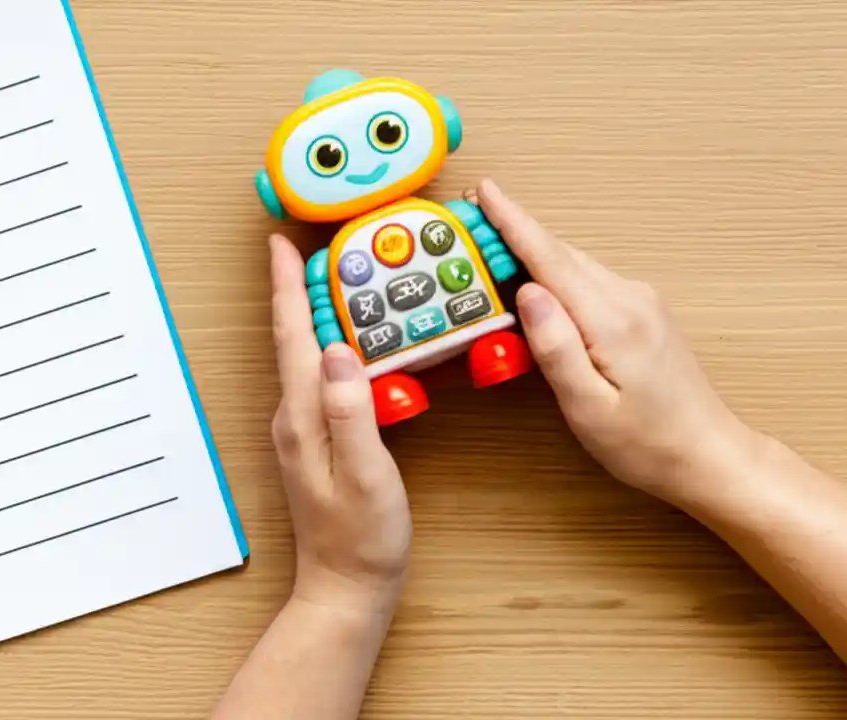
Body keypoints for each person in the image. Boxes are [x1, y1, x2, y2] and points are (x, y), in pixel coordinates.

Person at [211, 179, 847, 719]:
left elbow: (480, 254)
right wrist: (718, 454)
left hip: (482, 326)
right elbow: (328, 302)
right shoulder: (345, 259)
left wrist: (340, 590)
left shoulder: (435, 229)